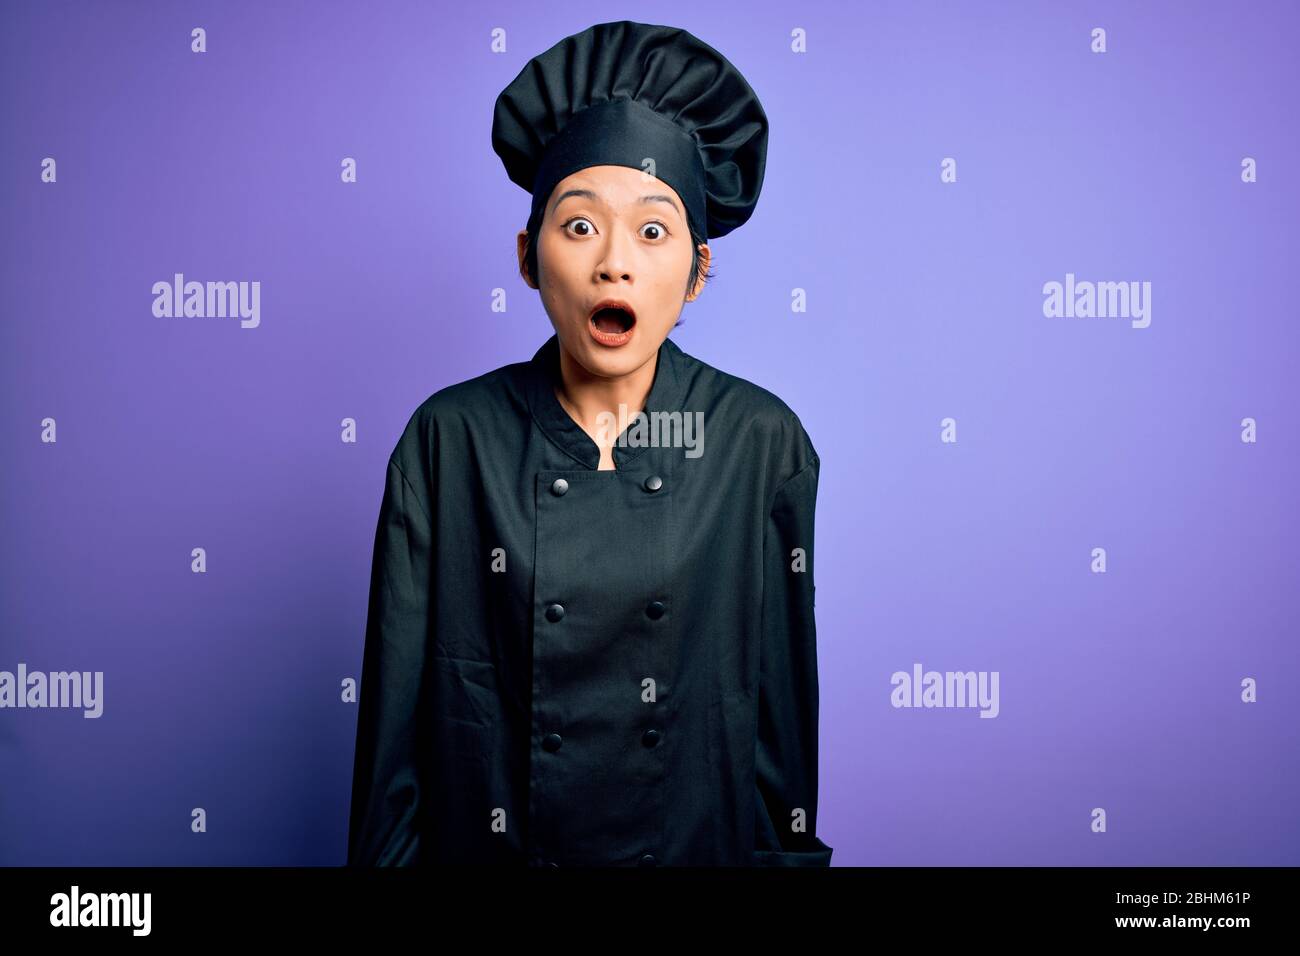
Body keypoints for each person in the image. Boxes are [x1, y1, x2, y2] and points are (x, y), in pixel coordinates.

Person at [347, 19, 832, 867]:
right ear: (529, 258)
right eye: (578, 227)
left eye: (653, 231)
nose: (615, 264)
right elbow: (394, 741)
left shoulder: (762, 443)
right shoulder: (448, 440)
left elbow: (778, 741)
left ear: (696, 272)